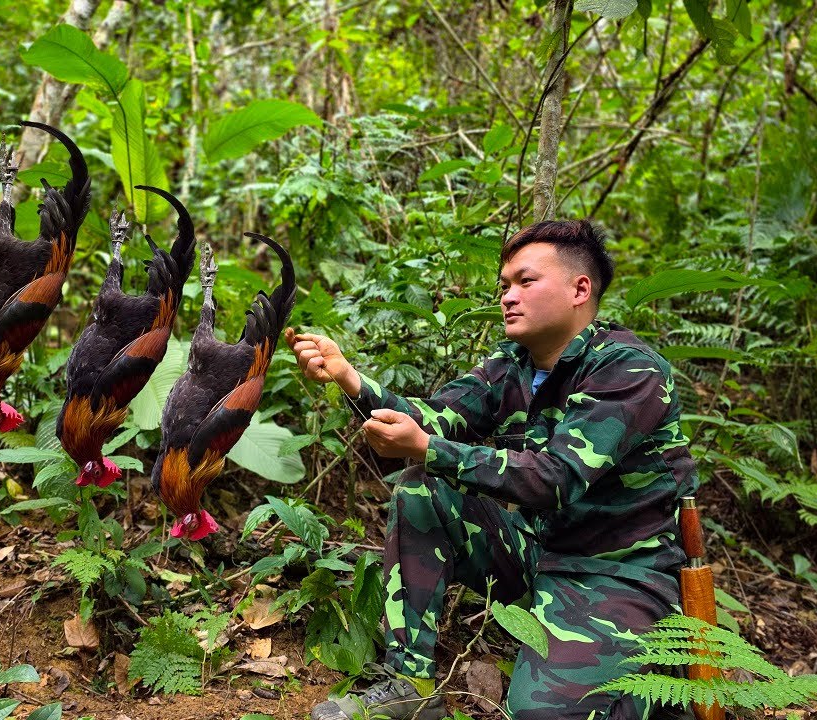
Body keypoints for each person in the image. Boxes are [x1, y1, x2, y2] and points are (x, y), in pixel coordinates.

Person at [285, 220, 698, 720]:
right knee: (422, 490)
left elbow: (555, 478)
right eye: (504, 285)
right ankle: (410, 683)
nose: (508, 296)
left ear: (579, 289)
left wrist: (428, 448)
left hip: (616, 573)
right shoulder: (513, 365)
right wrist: (350, 379)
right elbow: (434, 419)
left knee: (539, 714)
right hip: (536, 551)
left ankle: (654, 682)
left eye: (526, 281)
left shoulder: (629, 369)